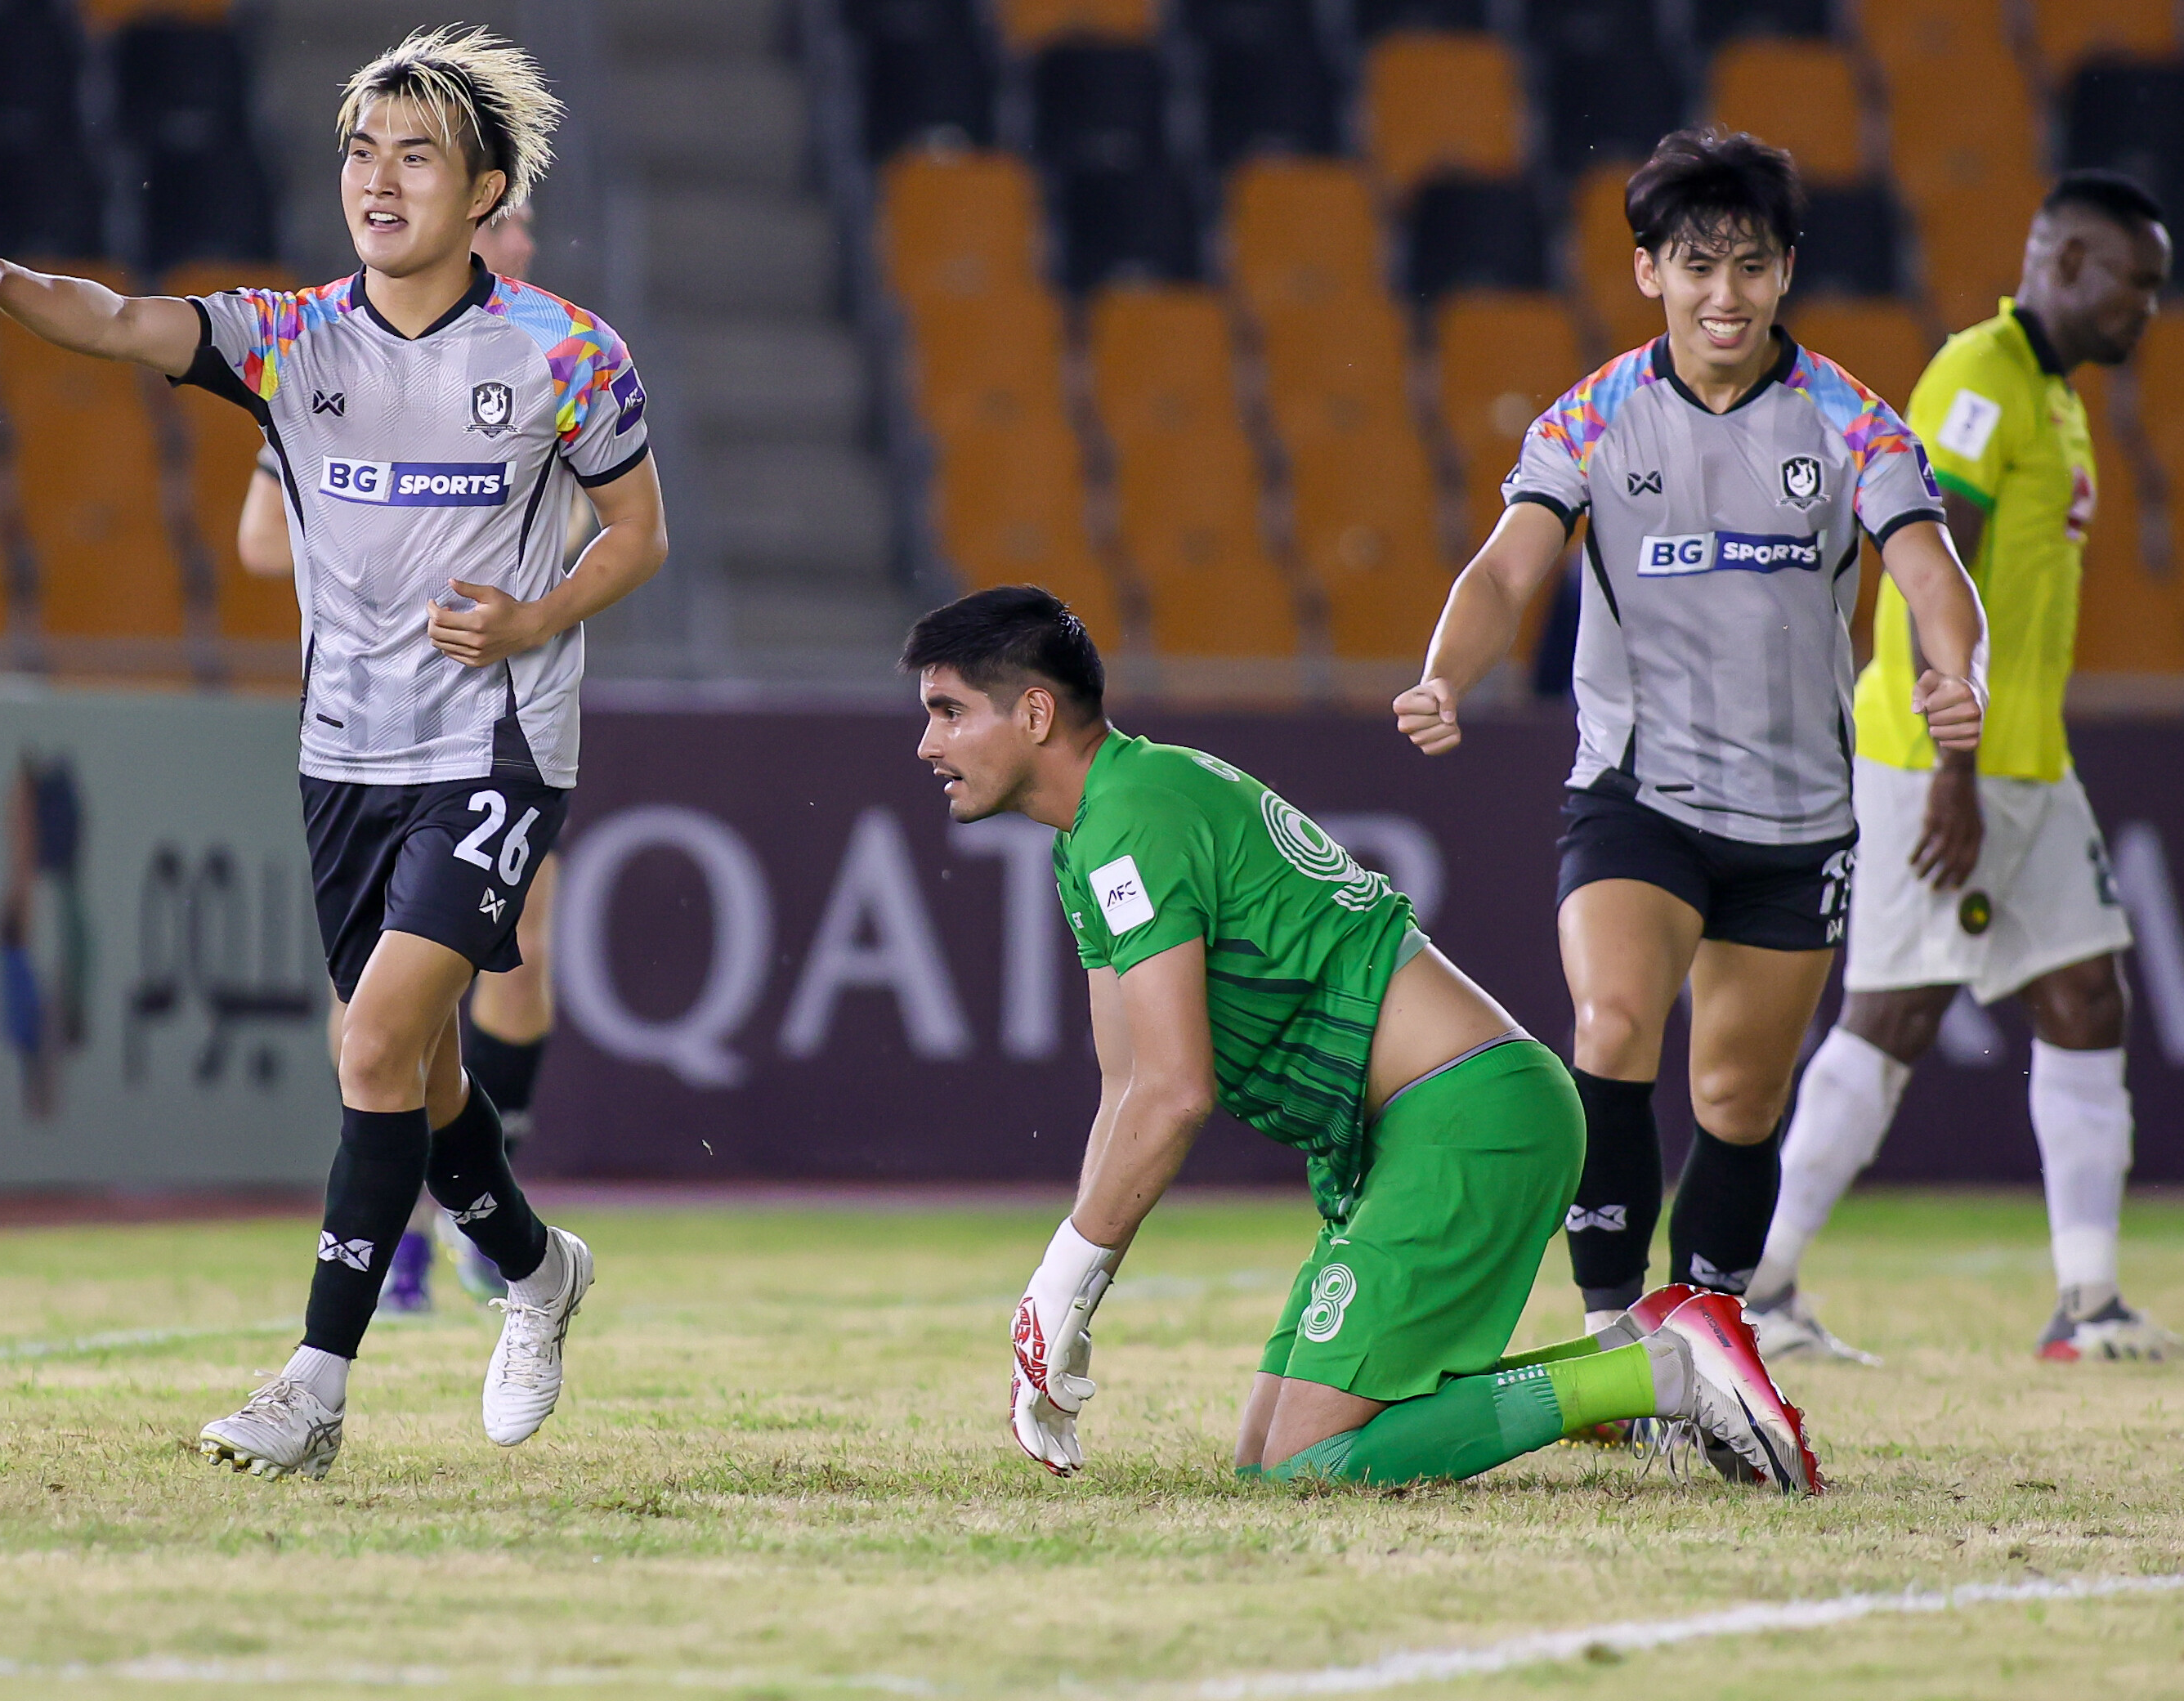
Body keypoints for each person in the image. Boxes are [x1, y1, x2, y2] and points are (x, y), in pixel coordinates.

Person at [0, 26, 665, 1480]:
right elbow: (126, 320)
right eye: (359, 152)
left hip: (495, 745)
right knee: (415, 1061)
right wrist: (7, 288)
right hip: (343, 759)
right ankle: (534, 1265)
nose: (377, 180)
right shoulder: (290, 337)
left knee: (375, 1041)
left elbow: (639, 534)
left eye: (416, 155)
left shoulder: (566, 352)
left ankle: (312, 1387)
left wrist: (534, 616)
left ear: (484, 187)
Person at [909, 586, 1818, 1491]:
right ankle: (1634, 1364)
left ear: (1033, 712)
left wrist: (1058, 1283)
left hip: (1466, 1120)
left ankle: (1665, 1371)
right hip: (1421, 1132)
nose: (928, 745)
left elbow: (1175, 1091)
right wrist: (1067, 1295)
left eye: (948, 713)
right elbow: (1126, 1080)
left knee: (1308, 1465)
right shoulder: (1098, 829)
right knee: (1266, 1459)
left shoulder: (1130, 816)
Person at [1396, 129, 1987, 1336]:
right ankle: (1613, 1329)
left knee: (1736, 1093)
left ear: (1784, 275)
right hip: (1637, 794)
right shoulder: (1594, 417)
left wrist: (1952, 671)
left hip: (1798, 821)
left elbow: (1930, 573)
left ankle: (1704, 1338)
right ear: (1647, 272)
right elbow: (1506, 573)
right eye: (1698, 265)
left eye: (1752, 267)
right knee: (1610, 1024)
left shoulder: (1848, 419)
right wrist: (1444, 674)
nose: (1726, 294)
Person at [1756, 172, 2177, 1365]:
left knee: (2087, 997)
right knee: (1891, 1011)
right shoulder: (1982, 381)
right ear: (2062, 260)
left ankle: (2086, 1302)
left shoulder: (2054, 395)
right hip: (1941, 758)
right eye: (2133, 282)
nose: (2147, 307)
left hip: (2028, 765)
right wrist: (1953, 765)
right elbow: (1926, 568)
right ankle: (1757, 1284)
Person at [239, 203, 586, 1313]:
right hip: (372, 711)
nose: (517, 239)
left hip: (498, 709)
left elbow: (606, 523)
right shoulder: (337, 357)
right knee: (387, 982)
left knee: (521, 935)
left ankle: (478, 1209)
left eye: (523, 222)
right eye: (504, 222)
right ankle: (419, 1228)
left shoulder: (555, 352)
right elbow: (257, 538)